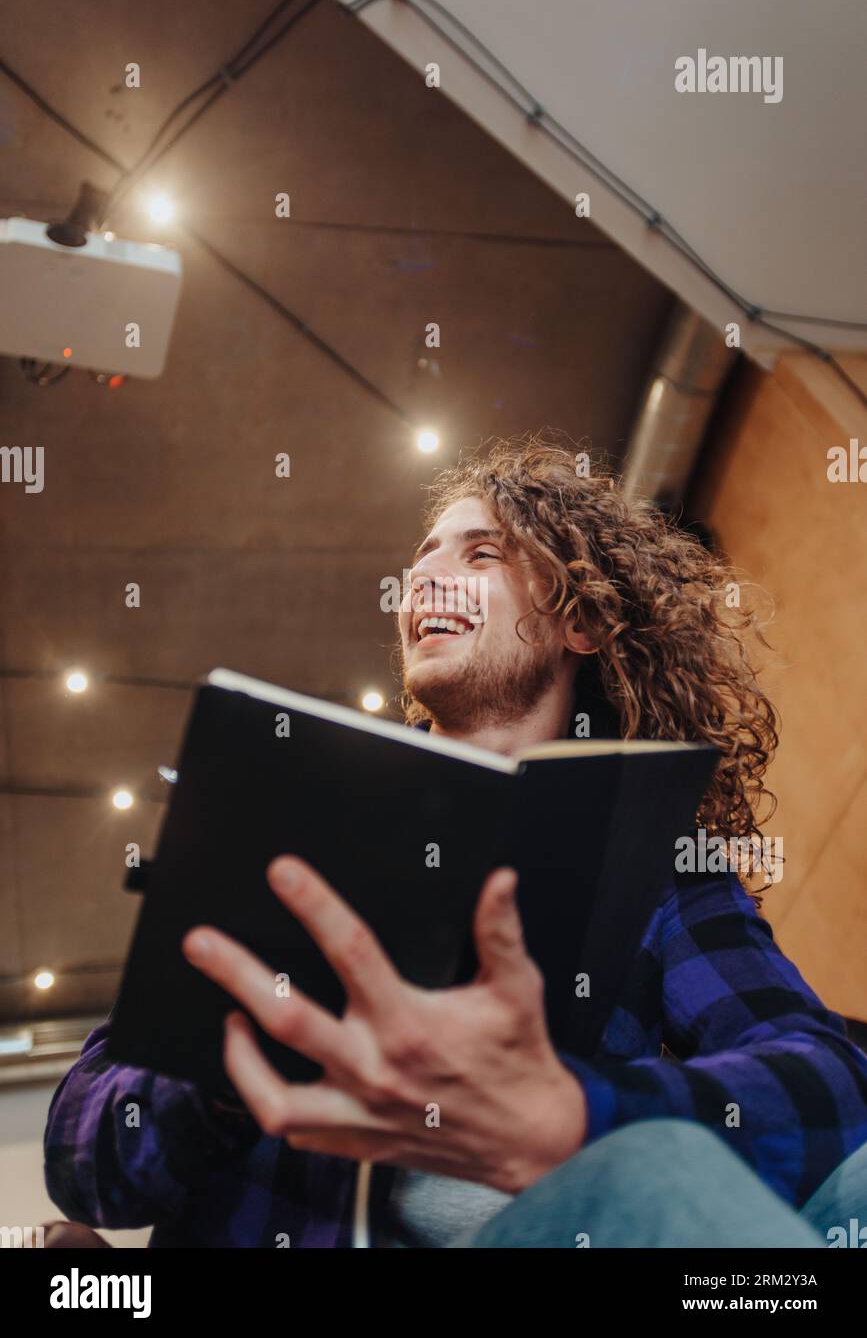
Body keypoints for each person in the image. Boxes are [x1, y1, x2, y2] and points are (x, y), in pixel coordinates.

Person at [44, 438, 867, 1248]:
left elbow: (828, 1082)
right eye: (422, 558)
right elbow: (83, 1168)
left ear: (578, 620)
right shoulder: (289, 821)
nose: (425, 577)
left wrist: (577, 1113)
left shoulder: (656, 868)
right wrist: (238, 1058)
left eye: (482, 555)